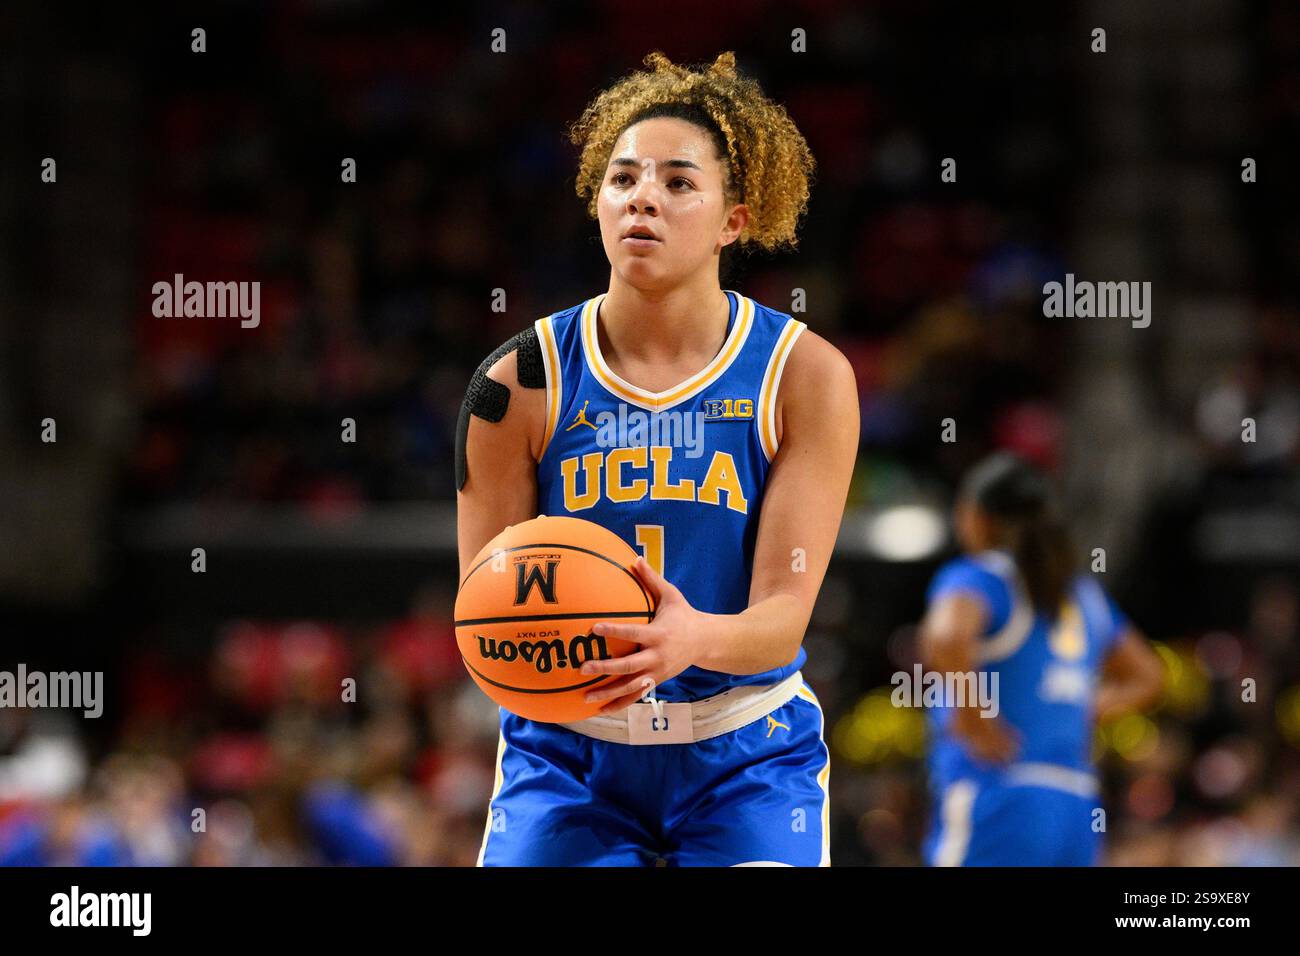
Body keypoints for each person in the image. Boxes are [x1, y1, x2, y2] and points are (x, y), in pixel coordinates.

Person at [456, 51, 859, 866]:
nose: (644, 195)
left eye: (678, 182)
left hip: (745, 747)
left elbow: (782, 621)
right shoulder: (518, 383)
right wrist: (538, 649)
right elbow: (483, 614)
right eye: (623, 178)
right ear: (597, 203)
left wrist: (689, 640)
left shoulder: (804, 375)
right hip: (569, 754)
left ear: (733, 221)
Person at [918, 452, 1165, 865]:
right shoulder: (1084, 595)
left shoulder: (981, 576)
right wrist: (1086, 707)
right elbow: (1149, 676)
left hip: (999, 795)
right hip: (1075, 803)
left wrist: (972, 710)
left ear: (979, 516)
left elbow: (944, 635)